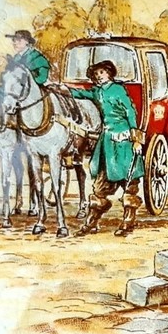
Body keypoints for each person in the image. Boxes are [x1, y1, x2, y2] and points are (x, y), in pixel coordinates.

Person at [68, 61, 145, 236]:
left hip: (124, 138)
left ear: (109, 73)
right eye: (96, 74)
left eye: (101, 72)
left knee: (129, 180)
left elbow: (130, 111)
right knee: (101, 181)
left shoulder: (118, 90)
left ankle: (128, 221)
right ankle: (92, 223)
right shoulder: (97, 91)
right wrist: (60, 89)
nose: (99, 76)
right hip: (107, 140)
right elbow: (80, 93)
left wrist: (136, 139)